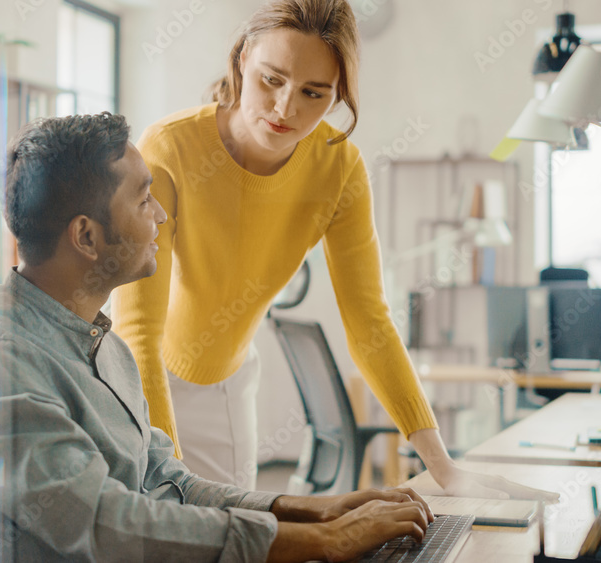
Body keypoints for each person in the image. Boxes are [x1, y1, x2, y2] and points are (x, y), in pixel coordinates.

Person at [0, 113, 437, 562]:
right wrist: (323, 540)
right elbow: (104, 526)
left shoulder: (103, 348)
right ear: (86, 236)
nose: (161, 215)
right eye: (143, 200)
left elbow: (172, 484)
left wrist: (315, 509)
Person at [111, 0, 558, 503]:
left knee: (238, 540)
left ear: (338, 95)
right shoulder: (169, 150)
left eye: (313, 92)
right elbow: (138, 334)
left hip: (229, 380)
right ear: (241, 59)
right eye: (271, 80)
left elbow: (369, 322)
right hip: (139, 382)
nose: (286, 109)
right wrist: (165, 467)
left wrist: (443, 468)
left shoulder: (338, 169)